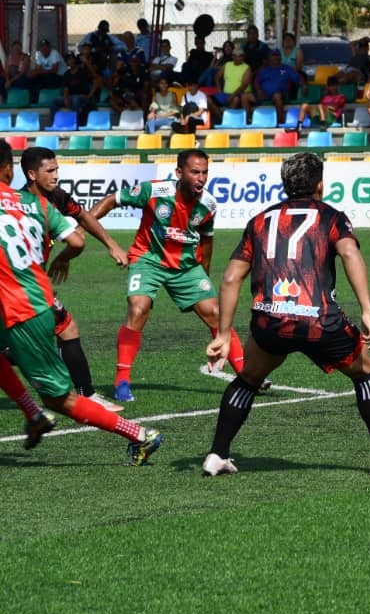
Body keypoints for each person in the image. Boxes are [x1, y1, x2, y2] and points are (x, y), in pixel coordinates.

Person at [203, 152, 370, 477]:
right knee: (365, 372)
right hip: (318, 321)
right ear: (320, 185)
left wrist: (224, 334)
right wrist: (367, 310)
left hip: (270, 322)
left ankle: (216, 454)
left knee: (248, 379)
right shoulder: (331, 217)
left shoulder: (259, 221)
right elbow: (350, 253)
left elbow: (230, 278)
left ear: (285, 185)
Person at [0, 138, 161, 463]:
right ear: (9, 168)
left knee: (60, 399)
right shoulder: (37, 204)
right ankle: (33, 414)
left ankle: (140, 434)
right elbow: (75, 238)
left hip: (20, 310)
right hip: (35, 298)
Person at [88, 149, 247, 402]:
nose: (201, 178)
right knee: (138, 309)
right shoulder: (154, 191)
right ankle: (122, 381)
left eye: (205, 172)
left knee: (217, 313)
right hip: (147, 259)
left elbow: (206, 243)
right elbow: (111, 200)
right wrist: (79, 226)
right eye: (195, 172)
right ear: (179, 173)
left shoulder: (208, 204)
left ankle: (247, 378)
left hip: (185, 266)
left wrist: (202, 278)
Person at [18, 145, 128, 412]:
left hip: (30, 283)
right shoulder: (20, 204)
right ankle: (86, 395)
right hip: (20, 284)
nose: (56, 175)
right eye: (50, 170)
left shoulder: (56, 196)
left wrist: (111, 244)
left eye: (57, 169)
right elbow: (77, 242)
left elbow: (83, 217)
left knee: (53, 332)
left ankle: (85, 394)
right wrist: (66, 256)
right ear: (32, 174)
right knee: (64, 330)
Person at [254, 49, 301, 126]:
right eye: (273, 55)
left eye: (277, 55)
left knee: (277, 95)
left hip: (280, 95)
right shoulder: (263, 69)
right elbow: (256, 82)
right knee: (245, 97)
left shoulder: (287, 68)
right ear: (269, 58)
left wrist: (304, 85)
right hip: (263, 95)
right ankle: (248, 119)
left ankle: (279, 121)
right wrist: (258, 90)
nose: (275, 57)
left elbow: (298, 78)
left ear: (280, 57)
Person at [214, 43, 256, 118]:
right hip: (225, 94)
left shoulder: (247, 68)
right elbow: (217, 77)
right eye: (235, 56)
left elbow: (244, 86)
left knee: (236, 99)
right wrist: (219, 90)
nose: (238, 58)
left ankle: (228, 119)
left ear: (243, 57)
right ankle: (221, 118)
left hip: (239, 94)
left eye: (240, 56)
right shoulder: (227, 65)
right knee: (207, 100)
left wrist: (232, 96)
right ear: (232, 56)